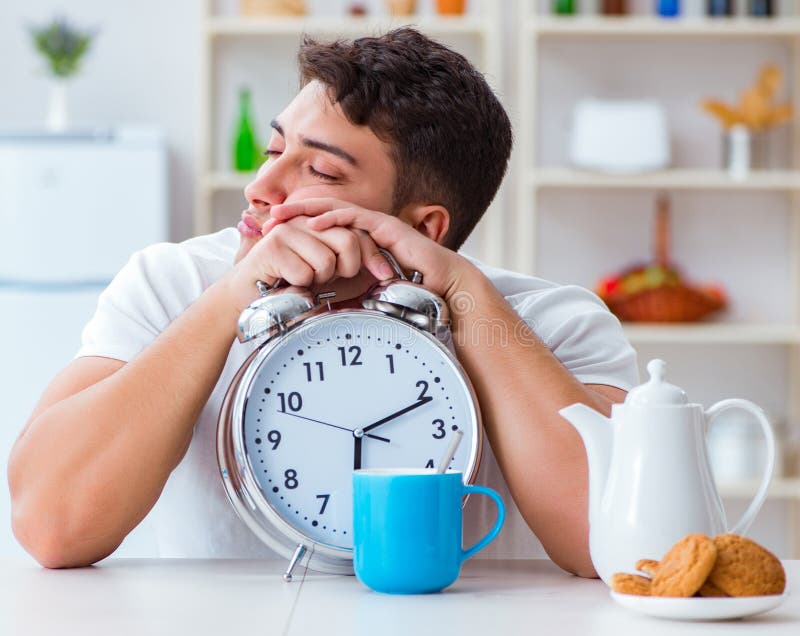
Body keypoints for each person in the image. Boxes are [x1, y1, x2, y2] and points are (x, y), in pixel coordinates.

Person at [8, 28, 637, 576]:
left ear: (424, 227)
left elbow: (614, 545)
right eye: (275, 150)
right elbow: (51, 526)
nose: (261, 187)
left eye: (322, 173)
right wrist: (231, 296)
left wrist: (466, 294)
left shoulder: (556, 325)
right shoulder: (171, 285)